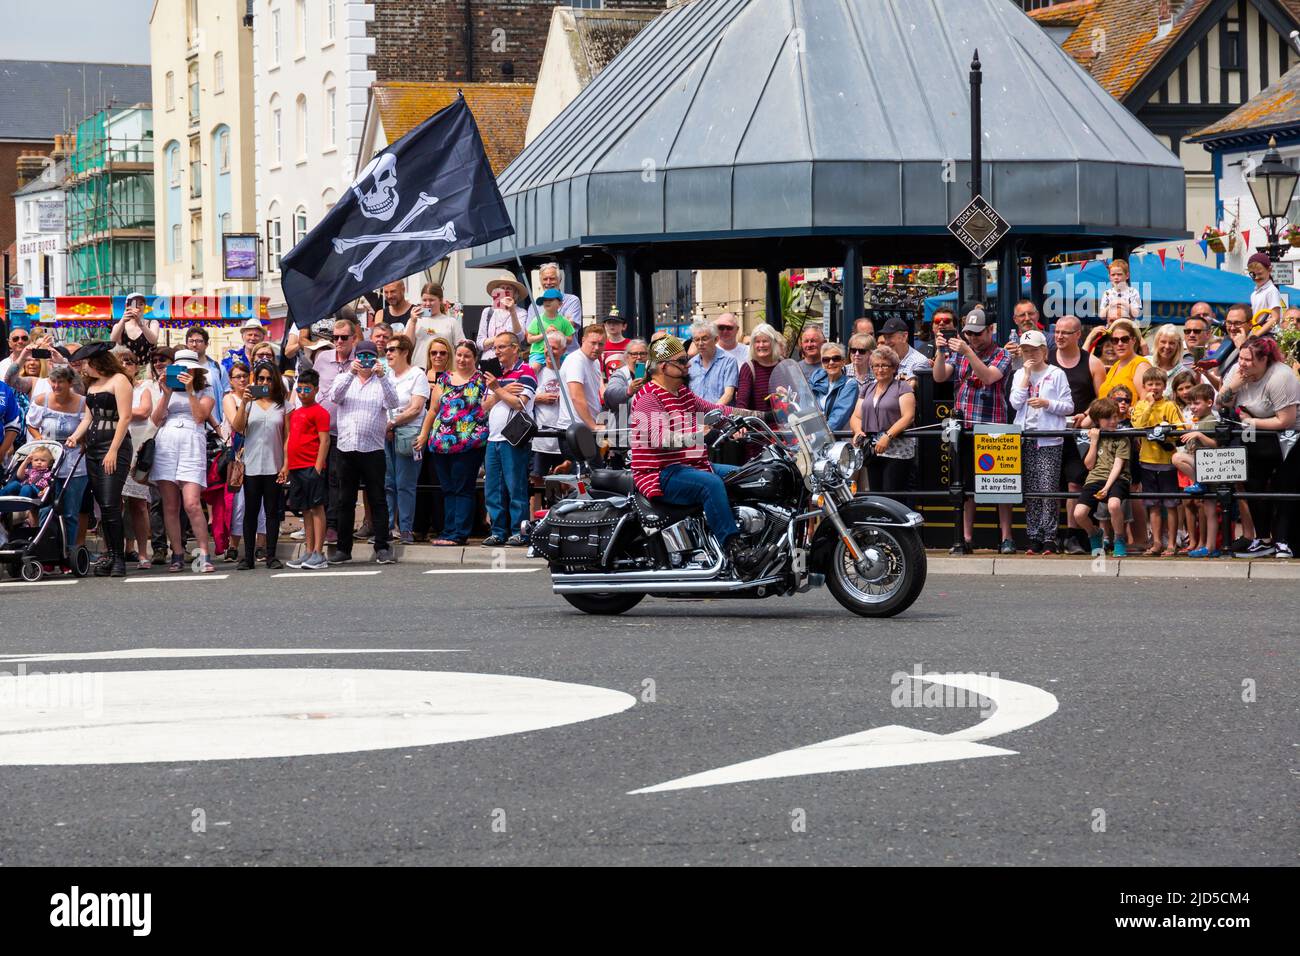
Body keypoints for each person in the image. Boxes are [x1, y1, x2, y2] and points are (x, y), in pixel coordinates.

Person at [628, 335, 768, 575]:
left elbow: (716, 409)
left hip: (690, 466)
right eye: (682, 360)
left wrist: (760, 415)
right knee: (710, 484)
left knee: (747, 474)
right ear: (664, 367)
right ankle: (735, 551)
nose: (688, 364)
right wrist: (697, 434)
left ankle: (753, 536)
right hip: (659, 473)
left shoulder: (682, 393)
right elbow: (660, 439)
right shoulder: (648, 398)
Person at [932, 307, 1015, 553]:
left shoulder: (1002, 354)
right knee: (964, 484)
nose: (973, 338)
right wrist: (940, 351)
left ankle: (1006, 537)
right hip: (964, 425)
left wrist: (967, 352)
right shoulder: (958, 352)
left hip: (994, 426)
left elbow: (989, 377)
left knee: (1001, 484)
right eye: (969, 333)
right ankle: (966, 537)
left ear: (991, 330)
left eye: (978, 333)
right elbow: (939, 377)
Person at [1217, 336, 1300, 558]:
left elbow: (1286, 420)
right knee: (1253, 484)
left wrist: (1249, 422)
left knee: (1285, 486)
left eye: (1248, 359)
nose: (1242, 363)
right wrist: (1233, 386)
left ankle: (1283, 541)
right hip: (1255, 435)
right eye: (1241, 358)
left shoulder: (1280, 376)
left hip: (1288, 438)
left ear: (1264, 359)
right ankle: (1263, 539)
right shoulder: (1238, 371)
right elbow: (1221, 404)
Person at [63, 341, 134, 576]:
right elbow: (87, 418)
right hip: (93, 448)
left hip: (114, 446)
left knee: (111, 503)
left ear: (97, 363)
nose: (83, 368)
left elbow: (124, 418)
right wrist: (74, 437)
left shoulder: (119, 380)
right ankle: (111, 555)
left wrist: (113, 450)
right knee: (103, 506)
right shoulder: (92, 385)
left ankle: (119, 559)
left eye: (86, 363)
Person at [326, 339, 399, 565]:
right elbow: (334, 397)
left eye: (370, 357)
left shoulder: (383, 380)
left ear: (376, 359)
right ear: (356, 358)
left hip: (373, 449)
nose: (366, 362)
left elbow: (394, 402)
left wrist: (383, 376)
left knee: (378, 499)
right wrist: (350, 373)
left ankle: (382, 547)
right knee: (344, 500)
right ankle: (343, 548)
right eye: (362, 357)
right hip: (346, 447)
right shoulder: (343, 377)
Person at [150, 349, 217, 573]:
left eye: (188, 369)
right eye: (180, 369)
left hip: (191, 441)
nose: (183, 373)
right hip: (167, 441)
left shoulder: (205, 390)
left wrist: (189, 391)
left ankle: (203, 554)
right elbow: (155, 420)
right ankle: (176, 553)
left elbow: (200, 417)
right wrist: (166, 394)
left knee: (192, 503)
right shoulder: (165, 389)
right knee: (170, 504)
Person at [417, 339, 489, 546]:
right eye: (459, 355)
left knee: (462, 488)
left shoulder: (481, 380)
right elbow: (433, 410)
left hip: (469, 443)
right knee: (447, 488)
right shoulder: (444, 379)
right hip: (441, 441)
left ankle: (459, 533)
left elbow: (489, 404)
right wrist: (424, 435)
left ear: (474, 358)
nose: (462, 359)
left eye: (467, 356)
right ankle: (448, 530)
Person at [1009, 330, 1073, 554]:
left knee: (1048, 488)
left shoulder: (1056, 373)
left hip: (1049, 438)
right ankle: (1033, 535)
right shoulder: (1019, 374)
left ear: (1044, 350)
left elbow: (1068, 407)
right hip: (1026, 437)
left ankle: (1050, 536)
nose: (1030, 354)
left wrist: (1047, 403)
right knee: (1031, 489)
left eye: (1034, 350)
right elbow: (1015, 403)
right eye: (1026, 350)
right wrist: (1025, 375)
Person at [1049, 315, 1106, 553]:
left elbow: (1103, 401)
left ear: (1078, 335)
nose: (1060, 336)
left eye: (1065, 332)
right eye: (1057, 332)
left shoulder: (1093, 363)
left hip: (1078, 433)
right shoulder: (1046, 358)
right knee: (1048, 485)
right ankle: (1048, 534)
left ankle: (1073, 534)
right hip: (1048, 431)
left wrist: (1087, 416)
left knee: (1074, 484)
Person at [481, 331, 537, 547]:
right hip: (494, 438)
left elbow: (520, 403)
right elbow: (484, 406)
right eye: (495, 347)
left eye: (502, 347)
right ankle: (498, 531)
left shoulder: (526, 371)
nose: (497, 352)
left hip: (514, 438)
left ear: (515, 348)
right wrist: (502, 391)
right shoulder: (495, 374)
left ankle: (519, 531)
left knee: (516, 487)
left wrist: (496, 389)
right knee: (493, 488)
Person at [230, 360, 287, 570]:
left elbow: (287, 437)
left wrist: (286, 465)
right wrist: (244, 403)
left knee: (272, 512)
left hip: (274, 464)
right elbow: (237, 428)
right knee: (250, 512)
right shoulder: (250, 403)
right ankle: (248, 557)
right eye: (261, 378)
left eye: (269, 379)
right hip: (252, 464)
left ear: (275, 381)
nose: (264, 382)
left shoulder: (282, 405)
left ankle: (271, 555)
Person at [24, 366, 87, 547]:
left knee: (70, 511)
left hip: (74, 460)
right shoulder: (41, 400)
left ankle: (70, 550)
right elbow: (32, 424)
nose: (56, 385)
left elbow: (86, 428)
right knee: (46, 507)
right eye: (53, 381)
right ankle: (46, 549)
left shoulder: (82, 403)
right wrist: (40, 440)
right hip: (48, 460)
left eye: (61, 382)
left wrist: (78, 439)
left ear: (69, 383)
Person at [313, 313, 359, 545]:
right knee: (319, 478)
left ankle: (336, 525)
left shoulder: (360, 360)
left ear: (354, 338)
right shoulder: (322, 358)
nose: (339, 341)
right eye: (335, 337)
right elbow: (311, 386)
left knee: (338, 481)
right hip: (322, 430)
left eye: (343, 337)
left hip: (346, 432)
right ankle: (320, 523)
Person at [382, 334, 430, 545]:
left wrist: (393, 422)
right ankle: (388, 526)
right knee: (388, 483)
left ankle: (406, 529)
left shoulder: (417, 375)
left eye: (392, 349)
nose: (388, 354)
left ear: (405, 352)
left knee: (405, 484)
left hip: (408, 433)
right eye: (387, 350)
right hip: (387, 433)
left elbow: (416, 408)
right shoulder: (387, 376)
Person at [281, 369, 331, 571]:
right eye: (299, 389)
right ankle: (309, 551)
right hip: (296, 467)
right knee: (305, 511)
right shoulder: (295, 412)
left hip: (311, 466)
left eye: (307, 389)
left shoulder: (320, 412)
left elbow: (325, 440)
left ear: (316, 390)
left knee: (317, 509)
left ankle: (319, 552)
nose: (302, 393)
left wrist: (318, 468)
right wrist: (286, 465)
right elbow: (289, 440)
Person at [851, 345, 916, 494]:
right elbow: (856, 416)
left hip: (897, 450)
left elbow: (908, 416)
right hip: (873, 449)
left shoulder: (902, 387)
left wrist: (888, 436)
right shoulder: (867, 388)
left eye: (885, 365)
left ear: (894, 368)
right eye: (876, 366)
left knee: (892, 494)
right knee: (876, 493)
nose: (880, 369)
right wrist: (858, 431)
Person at [1072, 397, 1131, 556]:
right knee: (1079, 513)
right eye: (1108, 418)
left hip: (1117, 479)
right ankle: (1094, 533)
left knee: (1113, 505)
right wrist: (1093, 442)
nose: (1113, 421)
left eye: (1115, 417)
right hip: (1095, 478)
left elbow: (1118, 465)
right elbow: (1089, 465)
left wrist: (1106, 487)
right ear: (1098, 420)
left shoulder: (1122, 437)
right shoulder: (1092, 435)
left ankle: (1119, 538)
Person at [114, 346, 156, 568]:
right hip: (115, 447)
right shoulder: (110, 385)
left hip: (137, 449)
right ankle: (115, 551)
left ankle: (142, 552)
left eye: (129, 362)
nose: (125, 365)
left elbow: (144, 411)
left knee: (139, 504)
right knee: (113, 504)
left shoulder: (144, 387)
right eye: (121, 362)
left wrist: (123, 410)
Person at [411, 336, 454, 541]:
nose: (437, 356)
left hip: (442, 434)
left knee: (438, 481)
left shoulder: (453, 377)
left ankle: (440, 525)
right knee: (419, 481)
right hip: (418, 433)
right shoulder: (419, 374)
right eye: (433, 352)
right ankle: (418, 526)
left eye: (442, 353)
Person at [1173, 383, 1220, 557]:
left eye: (1197, 403)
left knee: (1177, 458)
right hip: (1204, 467)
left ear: (1209, 403)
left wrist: (1199, 435)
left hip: (1210, 468)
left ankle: (1199, 481)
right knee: (1209, 512)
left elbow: (1217, 445)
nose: (1193, 407)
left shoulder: (1211, 421)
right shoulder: (1200, 421)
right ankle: (1210, 547)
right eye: (1191, 404)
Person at [531, 331, 574, 512]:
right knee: (536, 481)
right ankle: (533, 524)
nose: (549, 352)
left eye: (554, 348)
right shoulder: (536, 371)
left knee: (566, 481)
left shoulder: (568, 371)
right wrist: (537, 398)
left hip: (563, 436)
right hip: (541, 437)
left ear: (563, 349)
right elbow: (521, 398)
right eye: (546, 348)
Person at [557, 324, 606, 436]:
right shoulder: (576, 360)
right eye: (593, 343)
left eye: (601, 344)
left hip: (587, 428)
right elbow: (576, 397)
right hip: (574, 429)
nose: (597, 348)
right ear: (583, 340)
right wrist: (593, 426)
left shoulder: (596, 362)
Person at [526, 262, 583, 353]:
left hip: (568, 355)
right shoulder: (534, 306)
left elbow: (570, 326)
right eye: (545, 279)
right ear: (541, 282)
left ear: (559, 280)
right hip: (543, 356)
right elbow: (529, 334)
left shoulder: (572, 300)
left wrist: (541, 330)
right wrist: (562, 323)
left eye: (552, 279)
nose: (548, 282)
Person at [407, 282, 465, 370]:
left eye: (431, 300)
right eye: (424, 300)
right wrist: (412, 322)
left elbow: (461, 348)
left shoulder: (451, 322)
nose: (427, 303)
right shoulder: (415, 320)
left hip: (445, 372)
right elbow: (407, 346)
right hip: (419, 370)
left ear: (441, 300)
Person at [735, 323, 784, 425]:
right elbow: (741, 403)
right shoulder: (748, 368)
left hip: (785, 429)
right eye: (757, 342)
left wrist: (787, 394)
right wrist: (740, 425)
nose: (761, 345)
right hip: (761, 432)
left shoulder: (784, 365)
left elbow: (797, 397)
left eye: (765, 341)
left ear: (773, 343)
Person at [1097, 319, 1151, 411]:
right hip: (1106, 422)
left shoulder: (1140, 365)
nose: (1120, 344)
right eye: (1115, 340)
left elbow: (1146, 401)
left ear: (1133, 340)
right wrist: (1085, 414)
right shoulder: (1116, 365)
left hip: (1128, 423)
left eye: (1124, 339)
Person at [477, 276, 529, 363]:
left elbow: (519, 337)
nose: (505, 291)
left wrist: (512, 311)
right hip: (489, 361)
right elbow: (480, 343)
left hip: (510, 361)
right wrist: (501, 338)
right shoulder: (488, 311)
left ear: (515, 293)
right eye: (502, 288)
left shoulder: (521, 312)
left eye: (508, 289)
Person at [688, 319, 740, 405]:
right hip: (698, 416)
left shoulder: (728, 361)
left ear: (716, 339)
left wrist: (711, 413)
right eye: (697, 340)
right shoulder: (691, 364)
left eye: (704, 339)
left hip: (721, 415)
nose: (700, 343)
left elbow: (728, 394)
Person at [182, 325, 230, 417]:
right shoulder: (181, 368)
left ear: (207, 344)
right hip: (188, 422)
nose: (194, 344)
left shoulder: (219, 369)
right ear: (187, 344)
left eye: (199, 341)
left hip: (214, 424)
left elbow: (226, 397)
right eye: (191, 341)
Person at [815, 342, 860, 433]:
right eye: (826, 360)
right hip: (812, 434)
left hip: (836, 437)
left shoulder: (850, 384)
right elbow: (806, 403)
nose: (831, 363)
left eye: (836, 359)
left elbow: (838, 417)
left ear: (843, 362)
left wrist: (819, 435)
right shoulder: (817, 376)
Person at [526, 289, 575, 371]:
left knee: (570, 369)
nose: (547, 302)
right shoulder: (537, 319)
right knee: (533, 369)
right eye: (545, 300)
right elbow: (529, 339)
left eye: (551, 300)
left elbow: (570, 340)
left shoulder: (564, 321)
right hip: (539, 353)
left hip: (558, 354)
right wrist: (544, 334)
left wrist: (558, 335)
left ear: (559, 304)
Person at [109, 293, 160, 368]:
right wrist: (123, 320)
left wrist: (140, 323)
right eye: (134, 303)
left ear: (144, 307)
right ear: (127, 306)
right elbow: (113, 340)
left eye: (141, 304)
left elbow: (153, 340)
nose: (138, 306)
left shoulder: (152, 322)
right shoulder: (119, 325)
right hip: (125, 368)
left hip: (147, 367)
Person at [1, 444, 53, 511]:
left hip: (35, 493)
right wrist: (26, 461)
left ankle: (20, 505)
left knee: (26, 487)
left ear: (49, 463)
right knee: (15, 483)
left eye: (43, 460)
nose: (39, 462)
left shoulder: (48, 474)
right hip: (21, 491)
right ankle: (1, 496)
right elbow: (19, 476)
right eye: (36, 460)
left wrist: (45, 490)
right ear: (31, 462)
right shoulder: (30, 471)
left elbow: (49, 484)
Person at [1246, 252, 1283, 337]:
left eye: (1260, 274)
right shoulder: (1254, 294)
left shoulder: (1271, 291)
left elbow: (1275, 318)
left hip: (1269, 334)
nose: (1256, 277)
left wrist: (1256, 335)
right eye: (1253, 274)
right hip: (1258, 331)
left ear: (1269, 270)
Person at [600, 308, 630, 378]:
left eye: (616, 322)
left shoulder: (631, 345)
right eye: (609, 323)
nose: (612, 325)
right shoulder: (601, 344)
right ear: (605, 325)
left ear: (624, 326)